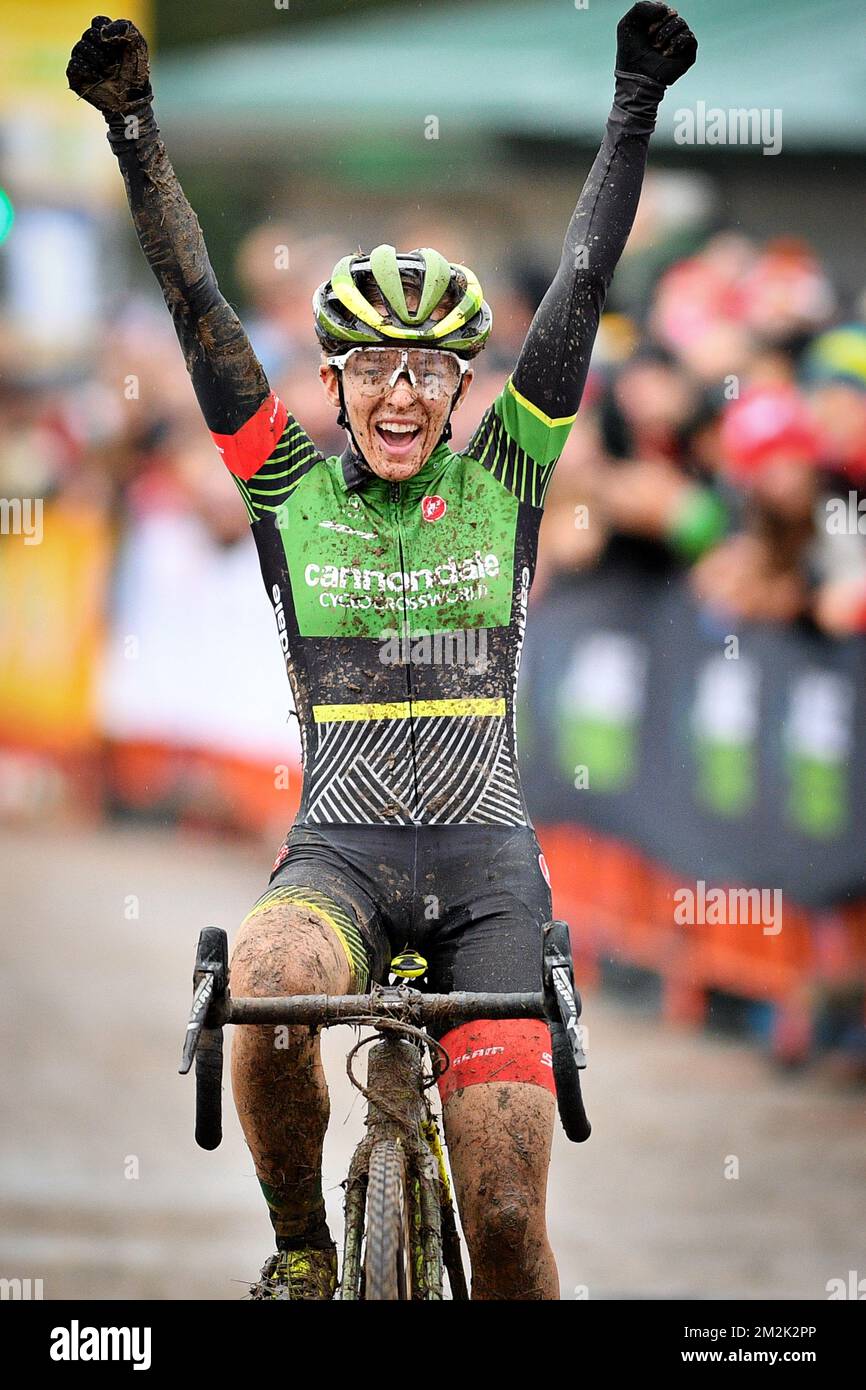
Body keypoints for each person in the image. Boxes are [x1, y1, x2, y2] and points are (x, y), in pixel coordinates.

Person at [68, 4, 697, 1300]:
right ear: (336, 381)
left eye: (427, 368)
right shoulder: (284, 488)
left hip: (484, 872)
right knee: (262, 980)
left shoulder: (506, 476)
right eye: (372, 368)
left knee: (511, 1225)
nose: (400, 392)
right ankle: (300, 1245)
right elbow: (195, 307)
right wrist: (136, 133)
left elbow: (580, 284)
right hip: (340, 855)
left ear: (462, 388)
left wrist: (631, 103)